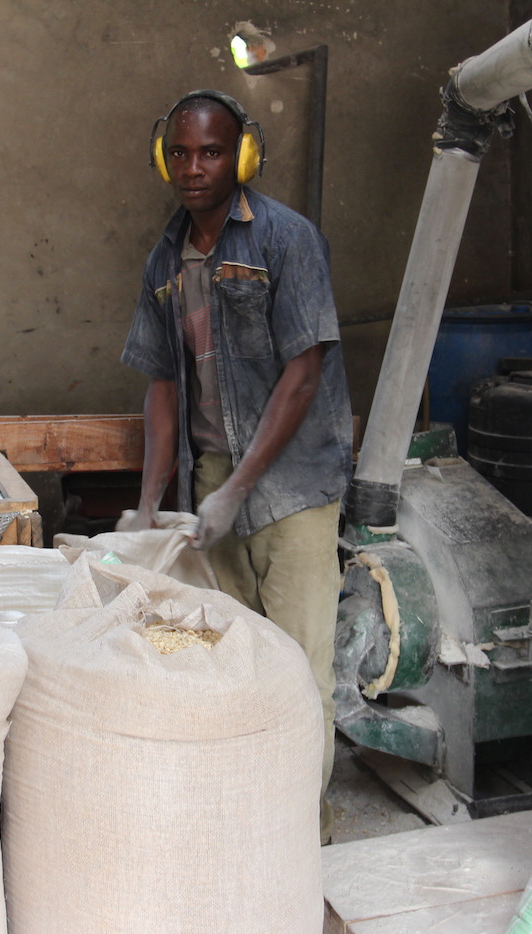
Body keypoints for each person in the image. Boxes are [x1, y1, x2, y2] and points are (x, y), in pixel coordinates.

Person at [121, 89, 353, 844]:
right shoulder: (165, 257)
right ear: (164, 157)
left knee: (296, 670)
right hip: (213, 477)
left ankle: (299, 836)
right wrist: (153, 503)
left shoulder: (288, 240)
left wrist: (240, 490)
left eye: (212, 152)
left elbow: (303, 375)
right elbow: (161, 385)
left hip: (291, 490)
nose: (195, 168)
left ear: (242, 155)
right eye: (181, 153)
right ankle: (251, 822)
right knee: (232, 664)